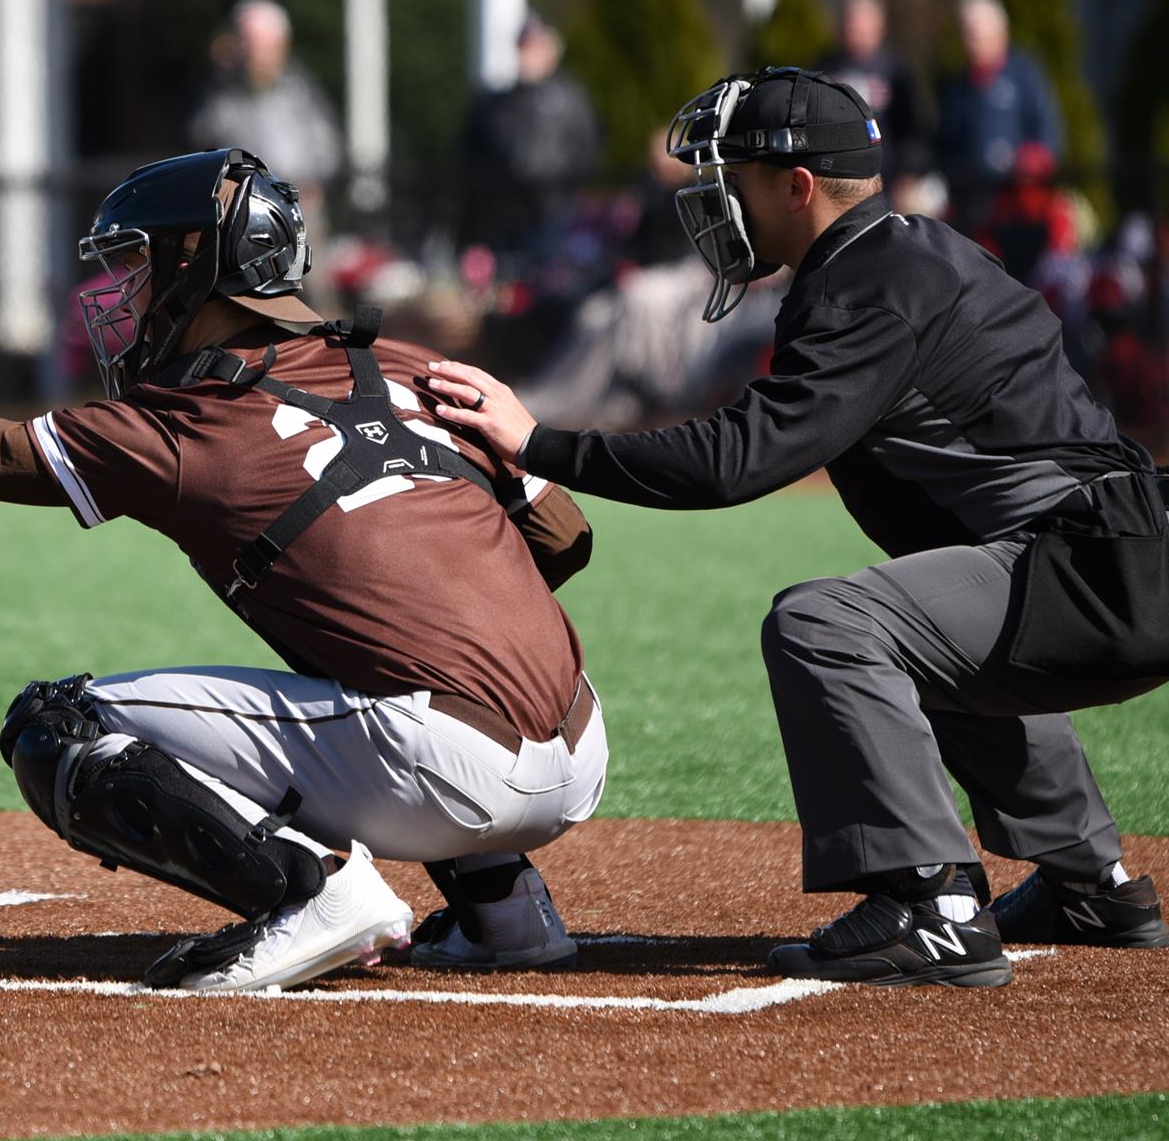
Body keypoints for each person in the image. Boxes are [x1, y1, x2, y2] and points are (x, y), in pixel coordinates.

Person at [0, 148, 607, 992]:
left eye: (138, 265)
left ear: (198, 266)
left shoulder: (184, 423)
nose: (120, 294)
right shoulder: (401, 360)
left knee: (57, 726)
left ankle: (320, 895)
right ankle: (506, 916)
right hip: (578, 745)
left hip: (442, 765)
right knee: (387, 656)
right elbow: (565, 543)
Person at [427, 66, 1167, 988]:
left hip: (1093, 569)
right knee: (927, 617)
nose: (713, 202)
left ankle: (931, 903)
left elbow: (738, 460)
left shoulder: (869, 282)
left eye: (729, 178)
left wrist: (539, 443)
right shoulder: (917, 249)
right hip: (1112, 558)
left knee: (827, 623)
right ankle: (1093, 882)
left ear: (797, 185)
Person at [188, 0, 343, 246]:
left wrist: (312, 181)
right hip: (242, 206)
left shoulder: (301, 90)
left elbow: (326, 145)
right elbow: (203, 137)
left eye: (263, 46)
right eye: (248, 44)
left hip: (297, 202)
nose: (255, 54)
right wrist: (217, 76)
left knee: (309, 275)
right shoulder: (222, 92)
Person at [457, 14, 600, 283]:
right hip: (504, 217)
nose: (526, 56)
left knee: (545, 283)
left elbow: (585, 150)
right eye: (523, 47)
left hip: (554, 213)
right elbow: (475, 157)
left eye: (534, 47)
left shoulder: (569, 99)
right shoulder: (495, 104)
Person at [935, 0, 1065, 234]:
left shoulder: (1025, 76)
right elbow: (945, 144)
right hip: (972, 207)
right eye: (967, 35)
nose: (972, 43)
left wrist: (1029, 164)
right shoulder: (957, 87)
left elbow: (1048, 133)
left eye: (977, 35)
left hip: (1018, 206)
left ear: (1000, 34)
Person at [815, 0, 924, 180]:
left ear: (879, 25)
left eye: (861, 19)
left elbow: (911, 132)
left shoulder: (896, 72)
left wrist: (909, 173)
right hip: (838, 178)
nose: (854, 26)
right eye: (850, 19)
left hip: (885, 178)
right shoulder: (825, 70)